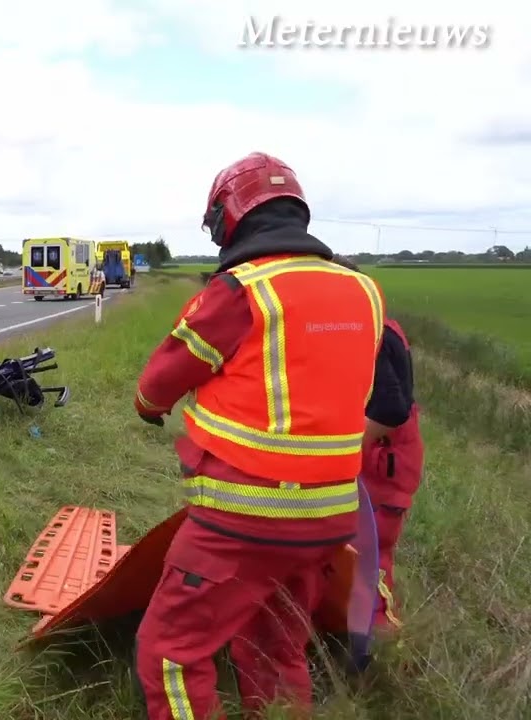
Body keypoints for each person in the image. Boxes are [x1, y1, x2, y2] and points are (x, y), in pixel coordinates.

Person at [131, 152, 387, 720]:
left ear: (229, 217)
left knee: (171, 652)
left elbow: (162, 380)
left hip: (244, 517)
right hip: (332, 515)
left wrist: (150, 408)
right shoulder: (363, 292)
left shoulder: (241, 290)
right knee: (274, 645)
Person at [331, 255, 422, 634]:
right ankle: (348, 629)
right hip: (379, 458)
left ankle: (385, 650)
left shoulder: (375, 334)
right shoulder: (369, 326)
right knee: (352, 552)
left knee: (372, 558)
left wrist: (340, 449)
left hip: (384, 464)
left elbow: (390, 410)